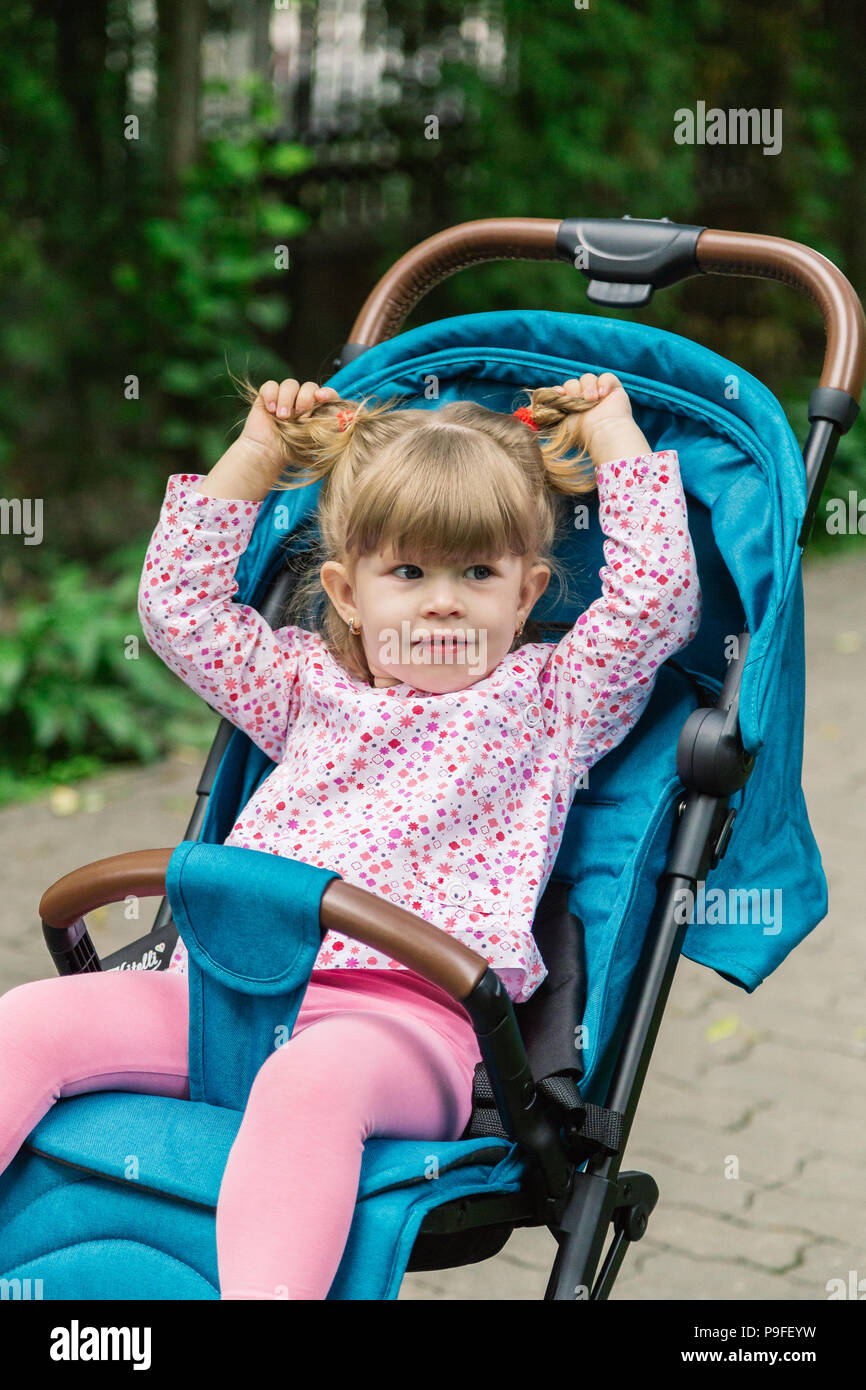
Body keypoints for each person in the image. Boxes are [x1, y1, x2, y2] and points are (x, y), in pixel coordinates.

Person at [0, 371, 701, 1299]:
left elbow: (653, 602)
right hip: (228, 997)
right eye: (408, 572)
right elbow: (179, 611)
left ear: (528, 592)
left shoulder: (551, 705)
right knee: (28, 1020)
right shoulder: (301, 690)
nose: (443, 602)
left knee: (310, 1087)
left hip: (401, 1025)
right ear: (346, 588)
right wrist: (257, 456)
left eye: (478, 573)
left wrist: (614, 435)